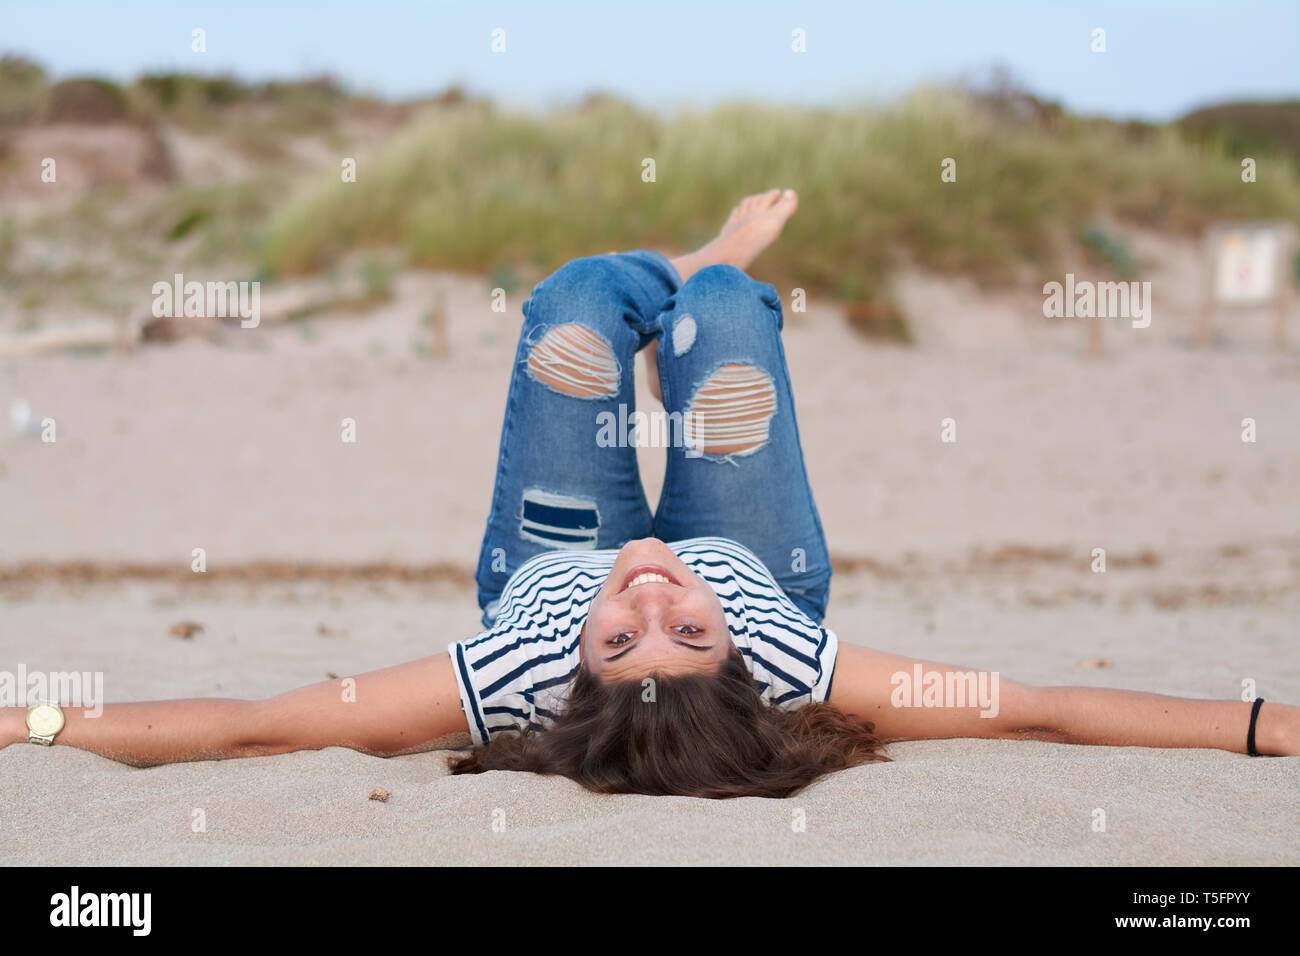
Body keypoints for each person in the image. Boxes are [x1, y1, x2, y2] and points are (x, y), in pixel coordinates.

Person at [4, 190, 1296, 798]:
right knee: (729, 320)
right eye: (688, 631)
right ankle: (713, 288)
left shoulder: (516, 670)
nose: (654, 592)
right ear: (741, 663)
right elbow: (1046, 712)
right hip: (762, 554)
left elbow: (257, 730)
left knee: (570, 311)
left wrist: (33, 723)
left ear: (577, 672)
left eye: (621, 640)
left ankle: (667, 276)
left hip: (542, 559)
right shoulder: (784, 653)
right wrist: (1261, 729)